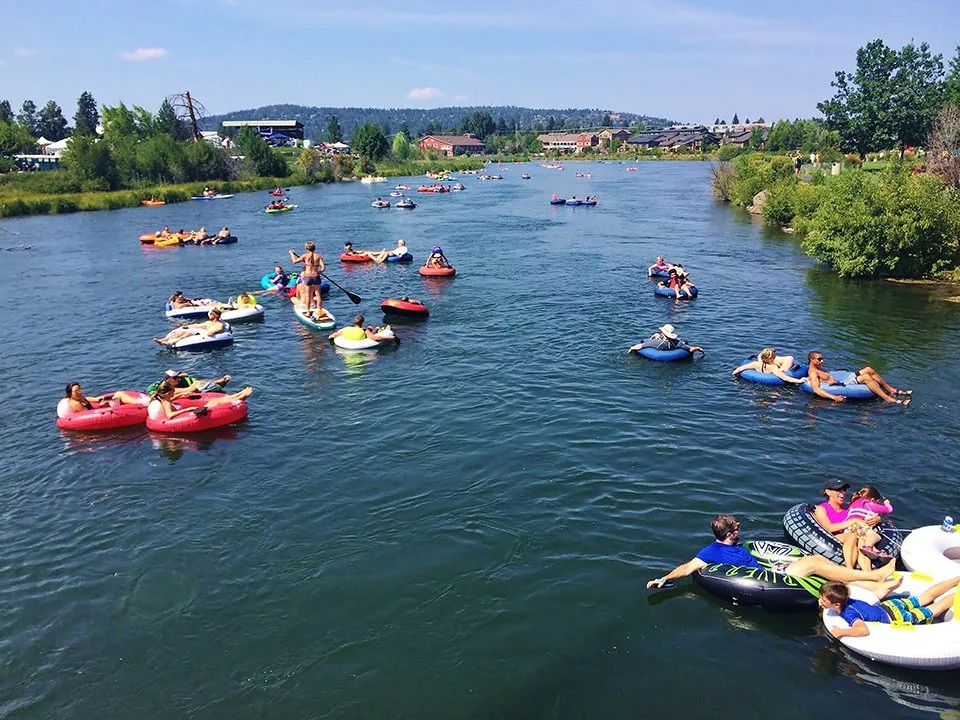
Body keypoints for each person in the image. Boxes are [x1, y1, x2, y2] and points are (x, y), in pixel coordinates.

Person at [646, 515, 897, 591]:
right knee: (814, 564)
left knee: (817, 560)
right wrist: (664, 579)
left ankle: (871, 586)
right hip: (770, 578)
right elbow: (687, 568)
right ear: (730, 532)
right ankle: (874, 578)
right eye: (737, 528)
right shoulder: (710, 552)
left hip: (771, 571)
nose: (740, 529)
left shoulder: (737, 545)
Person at [819, 575, 960, 638]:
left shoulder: (848, 613)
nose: (820, 601)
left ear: (836, 604)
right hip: (891, 605)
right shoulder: (848, 598)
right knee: (924, 597)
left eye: (823, 600)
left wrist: (842, 632)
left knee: (935, 609)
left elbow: (862, 630)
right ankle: (956, 579)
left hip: (896, 617)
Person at [812, 480, 881, 571]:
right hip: (831, 539)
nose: (842, 493)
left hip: (852, 539)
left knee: (862, 540)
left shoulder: (848, 510)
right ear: (828, 492)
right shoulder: (822, 508)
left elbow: (864, 521)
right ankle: (849, 570)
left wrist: (878, 519)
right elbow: (828, 528)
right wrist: (854, 521)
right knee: (852, 536)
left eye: (844, 489)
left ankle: (868, 573)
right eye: (838, 490)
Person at [805, 351, 912, 404]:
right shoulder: (813, 372)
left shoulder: (819, 369)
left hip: (842, 381)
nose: (822, 361)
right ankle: (888, 399)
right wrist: (834, 398)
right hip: (842, 385)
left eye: (822, 358)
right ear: (812, 360)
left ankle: (892, 390)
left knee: (868, 369)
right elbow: (816, 390)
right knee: (866, 377)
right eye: (819, 359)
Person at [148, 378, 252, 422]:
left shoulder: (162, 398)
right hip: (183, 415)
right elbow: (170, 415)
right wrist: (188, 409)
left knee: (214, 401)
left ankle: (238, 395)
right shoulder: (165, 402)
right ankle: (239, 396)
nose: (174, 392)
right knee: (215, 402)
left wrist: (182, 395)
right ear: (167, 393)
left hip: (181, 411)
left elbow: (170, 401)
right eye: (172, 391)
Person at [843, 486, 893, 564]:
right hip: (858, 526)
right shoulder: (869, 504)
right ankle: (868, 547)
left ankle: (876, 552)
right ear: (873, 500)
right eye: (877, 501)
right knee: (875, 536)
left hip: (847, 529)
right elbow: (889, 509)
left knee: (866, 536)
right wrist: (887, 503)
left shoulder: (852, 504)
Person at [59, 382, 145, 417]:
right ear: (70, 393)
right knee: (120, 395)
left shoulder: (80, 397)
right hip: (100, 414)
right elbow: (87, 414)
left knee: (119, 394)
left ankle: (139, 403)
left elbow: (87, 398)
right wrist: (101, 407)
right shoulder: (75, 404)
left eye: (80, 389)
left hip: (100, 409)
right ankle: (142, 403)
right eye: (76, 391)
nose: (80, 392)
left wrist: (97, 399)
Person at [153, 308, 227, 346]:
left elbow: (216, 330)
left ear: (214, 316)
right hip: (202, 333)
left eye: (211, 314)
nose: (209, 316)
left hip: (206, 335)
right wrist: (187, 326)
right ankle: (163, 340)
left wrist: (212, 331)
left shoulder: (219, 324)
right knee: (182, 332)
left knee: (187, 334)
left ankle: (170, 343)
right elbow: (197, 325)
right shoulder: (208, 323)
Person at [289, 241, 325, 316]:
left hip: (308, 276)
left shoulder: (305, 256)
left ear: (306, 248)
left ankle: (308, 312)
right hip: (316, 276)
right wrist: (319, 272)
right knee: (318, 295)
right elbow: (323, 268)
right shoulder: (318, 256)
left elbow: (294, 261)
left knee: (308, 295)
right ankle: (320, 310)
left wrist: (291, 254)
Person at [732, 348, 803, 384]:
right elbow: (784, 378)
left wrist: (733, 375)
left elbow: (739, 369)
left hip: (762, 372)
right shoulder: (773, 367)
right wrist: (799, 381)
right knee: (790, 358)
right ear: (772, 359)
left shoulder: (755, 364)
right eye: (774, 357)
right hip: (775, 383)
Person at [628, 323, 703, 354]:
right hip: (670, 347)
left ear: (663, 333)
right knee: (657, 335)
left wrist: (631, 348)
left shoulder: (656, 343)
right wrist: (698, 348)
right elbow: (689, 349)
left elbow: (642, 345)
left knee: (655, 335)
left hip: (659, 348)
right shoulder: (677, 343)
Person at [147, 370, 231, 396]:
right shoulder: (168, 389)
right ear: (168, 380)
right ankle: (220, 382)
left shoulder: (173, 384)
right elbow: (188, 390)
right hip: (191, 391)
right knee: (197, 384)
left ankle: (220, 381)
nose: (177, 379)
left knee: (197, 382)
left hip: (192, 389)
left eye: (178, 377)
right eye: (175, 378)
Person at [329, 314, 395, 343]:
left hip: (348, 347)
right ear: (362, 323)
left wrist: (331, 339)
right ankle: (379, 329)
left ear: (354, 322)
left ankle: (375, 329)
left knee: (369, 329)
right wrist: (389, 338)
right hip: (363, 342)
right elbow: (375, 338)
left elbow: (333, 335)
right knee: (371, 330)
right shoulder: (364, 331)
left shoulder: (347, 329)